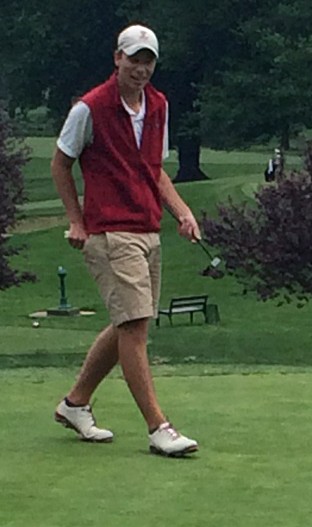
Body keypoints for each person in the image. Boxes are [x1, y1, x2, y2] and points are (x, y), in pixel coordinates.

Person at [50, 24, 200, 457]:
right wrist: (76, 221)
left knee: (130, 324)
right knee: (134, 327)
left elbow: (153, 170)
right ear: (117, 58)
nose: (140, 68)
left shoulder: (158, 105)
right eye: (133, 58)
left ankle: (75, 404)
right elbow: (61, 164)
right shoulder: (90, 108)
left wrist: (183, 212)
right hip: (110, 231)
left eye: (147, 60)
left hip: (147, 227)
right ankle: (159, 427)